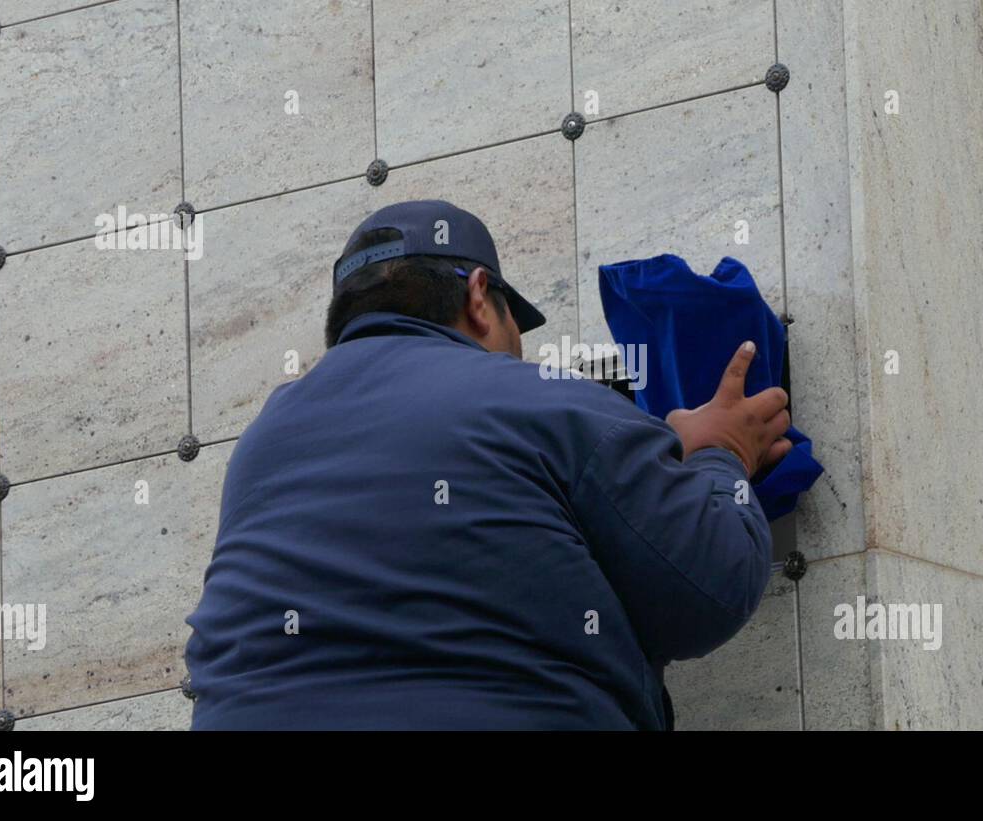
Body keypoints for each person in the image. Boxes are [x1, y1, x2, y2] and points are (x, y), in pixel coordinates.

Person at [184, 199, 792, 730]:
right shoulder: (538, 398)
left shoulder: (263, 442)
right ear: (480, 296)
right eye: (513, 323)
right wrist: (722, 455)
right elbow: (708, 590)